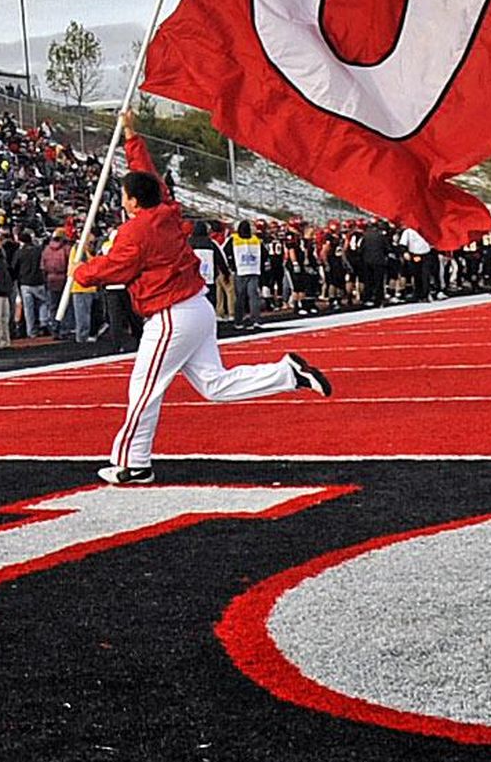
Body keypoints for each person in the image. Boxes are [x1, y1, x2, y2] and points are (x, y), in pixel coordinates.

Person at [71, 112, 332, 485]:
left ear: (131, 201)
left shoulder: (136, 231)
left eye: (125, 195)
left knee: (144, 389)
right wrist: (131, 136)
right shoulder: (165, 210)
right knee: (214, 385)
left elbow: (115, 269)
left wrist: (79, 272)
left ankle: (133, 462)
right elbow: (145, 175)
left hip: (171, 315)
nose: (124, 199)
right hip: (196, 308)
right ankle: (286, 373)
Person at [229, 219, 266, 327]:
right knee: (253, 296)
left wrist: (232, 265)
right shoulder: (256, 240)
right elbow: (264, 253)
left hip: (240, 271)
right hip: (254, 270)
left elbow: (226, 252)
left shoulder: (233, 239)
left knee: (240, 297)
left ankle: (239, 321)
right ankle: (255, 319)